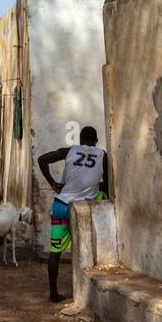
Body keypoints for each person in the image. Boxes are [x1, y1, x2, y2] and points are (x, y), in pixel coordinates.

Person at [37, 126, 109, 303]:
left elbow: (41, 159)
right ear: (96, 141)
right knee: (85, 249)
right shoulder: (103, 155)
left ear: (80, 139)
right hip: (83, 208)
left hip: (61, 205)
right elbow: (107, 183)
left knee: (55, 251)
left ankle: (53, 294)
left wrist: (52, 182)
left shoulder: (69, 150)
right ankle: (85, 292)